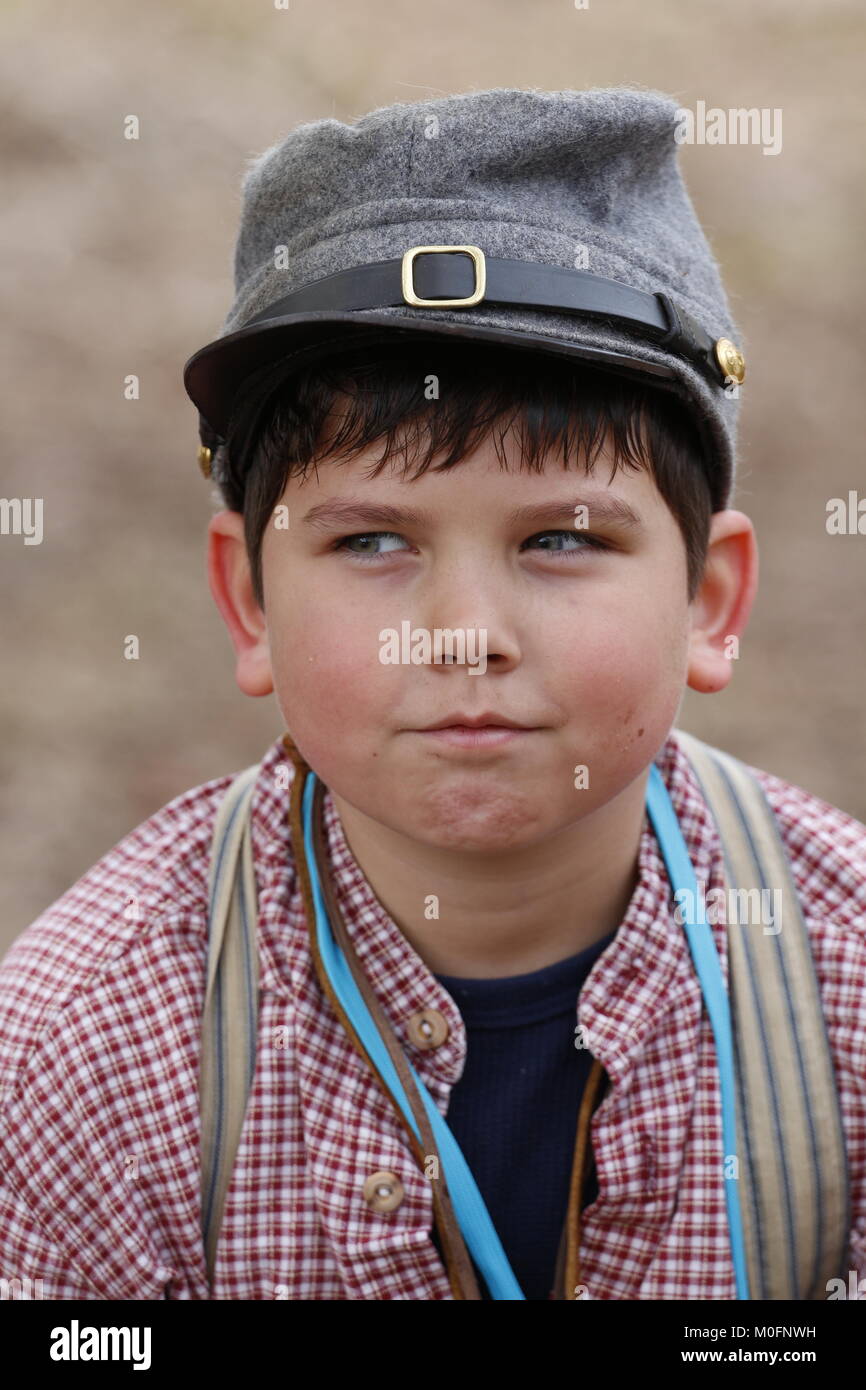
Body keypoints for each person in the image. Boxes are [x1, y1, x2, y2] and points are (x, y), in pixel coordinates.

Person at [1, 86, 863, 1301]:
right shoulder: (85, 1045)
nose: (464, 637)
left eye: (560, 540)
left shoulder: (844, 992)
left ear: (707, 602)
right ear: (248, 604)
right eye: (369, 543)